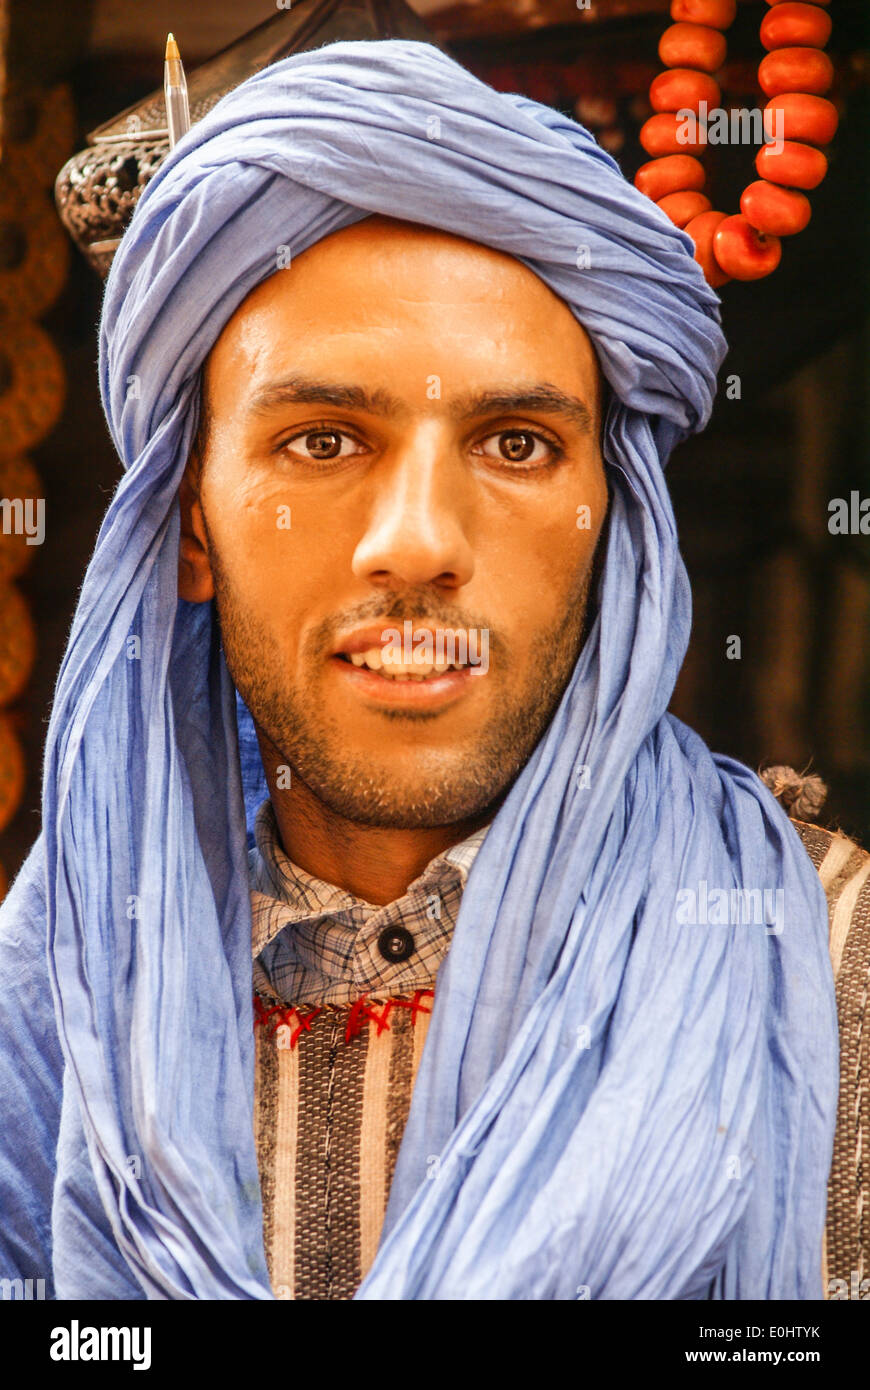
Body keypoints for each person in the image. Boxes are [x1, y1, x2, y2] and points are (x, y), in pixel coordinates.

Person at [0, 38, 848, 1300]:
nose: (418, 543)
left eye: (515, 442)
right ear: (189, 525)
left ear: (615, 526)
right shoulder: (44, 1015)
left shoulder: (835, 976)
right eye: (324, 437)